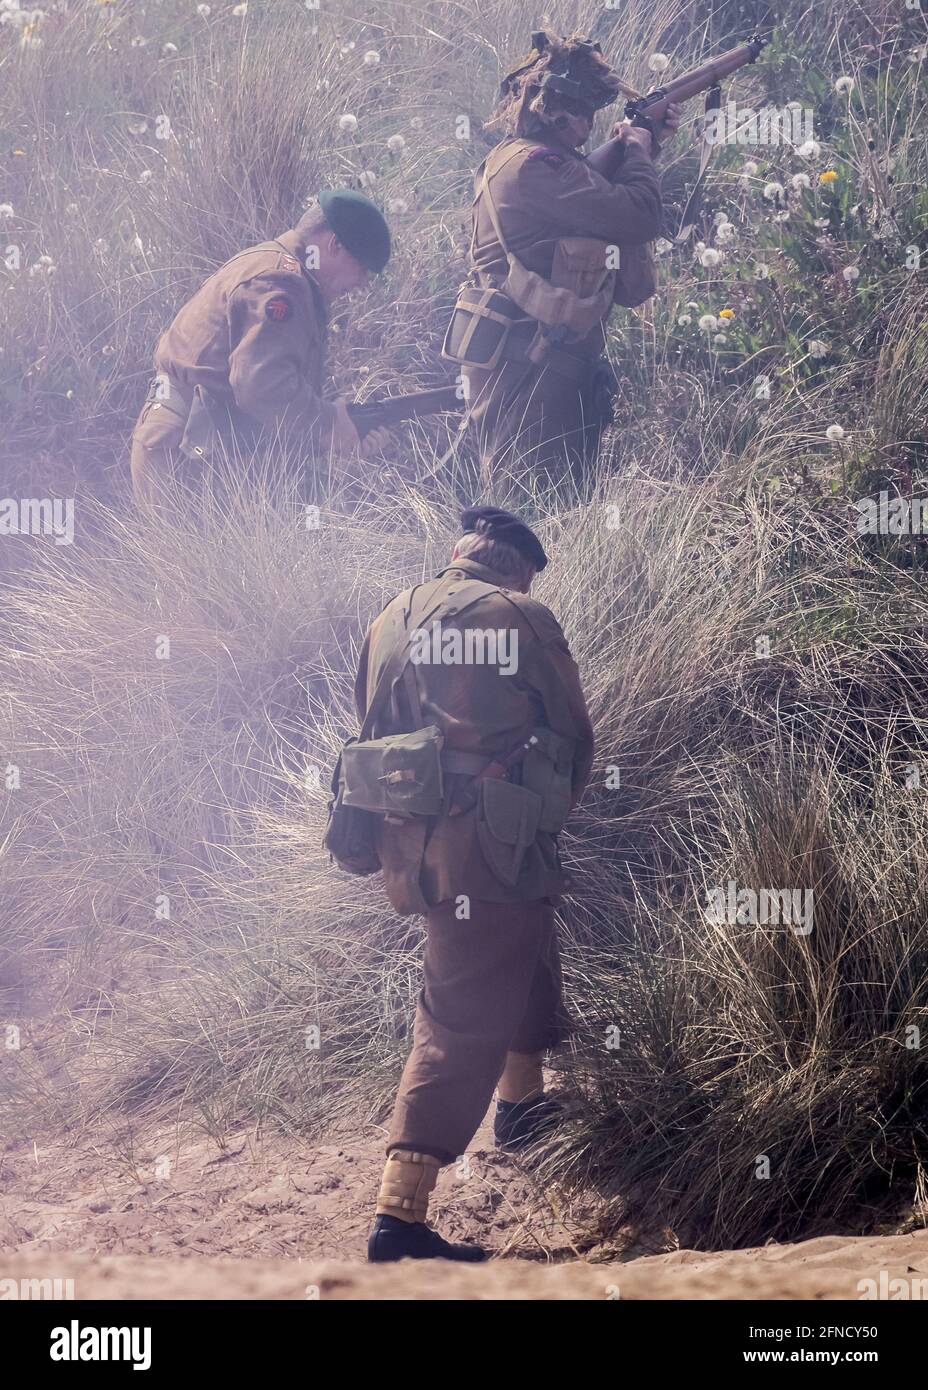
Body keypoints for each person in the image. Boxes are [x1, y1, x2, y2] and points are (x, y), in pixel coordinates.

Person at [353, 506, 594, 1262]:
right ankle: (401, 1213)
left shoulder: (390, 614)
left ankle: (521, 1105)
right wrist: (541, 806)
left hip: (411, 841)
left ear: (460, 556)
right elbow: (575, 733)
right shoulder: (521, 614)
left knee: (520, 946)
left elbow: (370, 722)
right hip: (488, 842)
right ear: (517, 568)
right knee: (459, 1009)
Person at [443, 31, 683, 484]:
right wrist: (636, 148)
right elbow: (640, 215)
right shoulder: (540, 166)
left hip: (536, 361)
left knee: (539, 499)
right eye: (585, 111)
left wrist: (648, 143)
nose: (589, 124)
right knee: (534, 501)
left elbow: (600, 209)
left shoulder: (520, 159)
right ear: (557, 111)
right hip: (533, 368)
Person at [129, 188, 393, 507]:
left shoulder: (272, 264)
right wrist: (329, 425)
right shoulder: (280, 284)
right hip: (188, 453)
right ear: (335, 245)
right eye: (362, 269)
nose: (362, 283)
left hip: (193, 447)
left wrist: (342, 434)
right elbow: (261, 387)